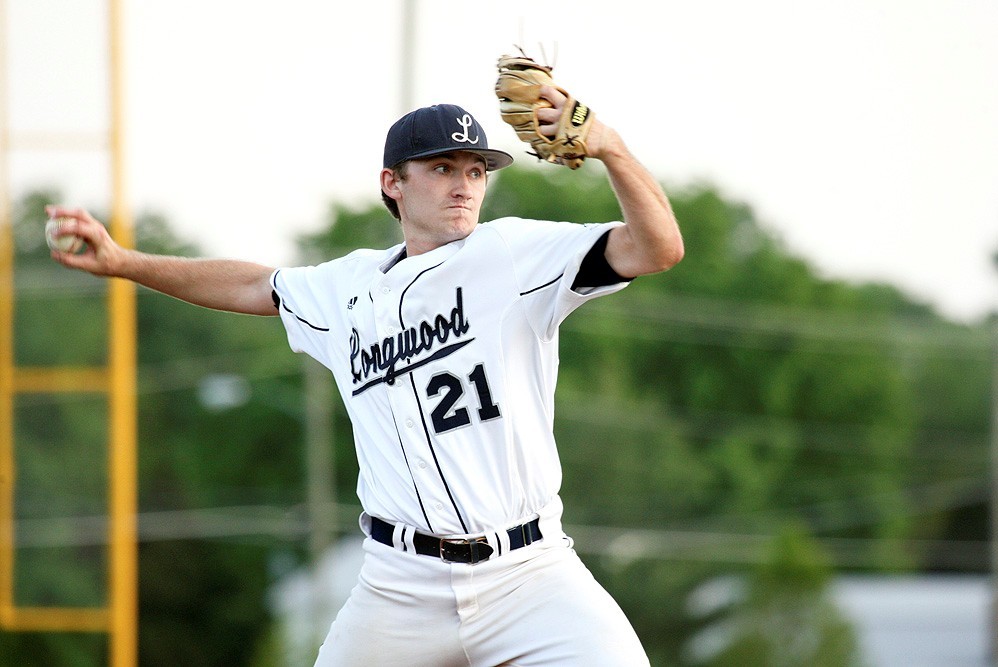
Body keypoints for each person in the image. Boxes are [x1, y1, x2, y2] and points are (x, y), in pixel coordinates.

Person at [47, 86, 683, 666]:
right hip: (399, 585)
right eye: (441, 168)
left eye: (474, 170)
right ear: (393, 183)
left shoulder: (513, 255)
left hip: (529, 574)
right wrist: (124, 261)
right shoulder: (346, 288)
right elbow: (252, 284)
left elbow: (659, 249)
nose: (464, 184)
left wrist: (611, 149)